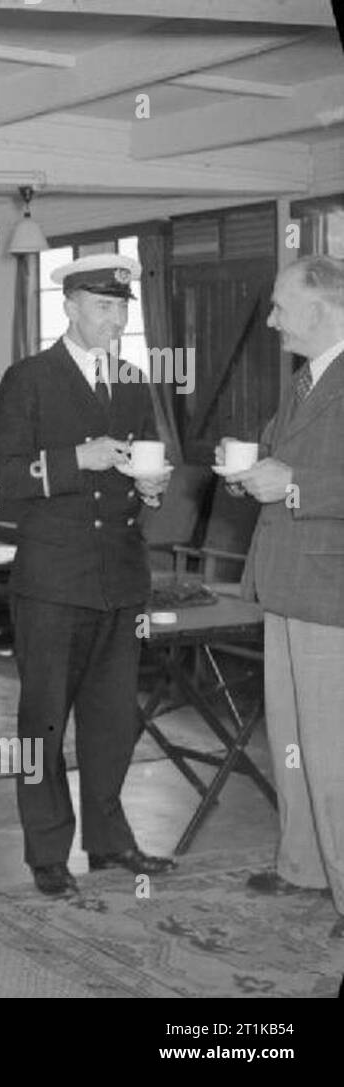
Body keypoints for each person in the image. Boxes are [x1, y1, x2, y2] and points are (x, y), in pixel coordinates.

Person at [0, 253, 174, 898]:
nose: (114, 319)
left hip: (119, 576)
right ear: (69, 307)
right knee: (43, 722)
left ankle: (111, 839)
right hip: (53, 579)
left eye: (122, 308)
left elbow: (145, 468)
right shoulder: (29, 379)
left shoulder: (131, 379)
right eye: (102, 306)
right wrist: (75, 459)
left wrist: (151, 488)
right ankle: (45, 851)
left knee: (112, 718)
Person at [223, 255, 344, 940]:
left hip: (332, 588)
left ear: (323, 307)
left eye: (278, 306)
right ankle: (303, 863)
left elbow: (313, 477)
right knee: (294, 738)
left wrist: (292, 484)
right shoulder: (306, 379)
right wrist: (248, 475)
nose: (270, 320)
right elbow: (282, 457)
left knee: (336, 749)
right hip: (287, 581)